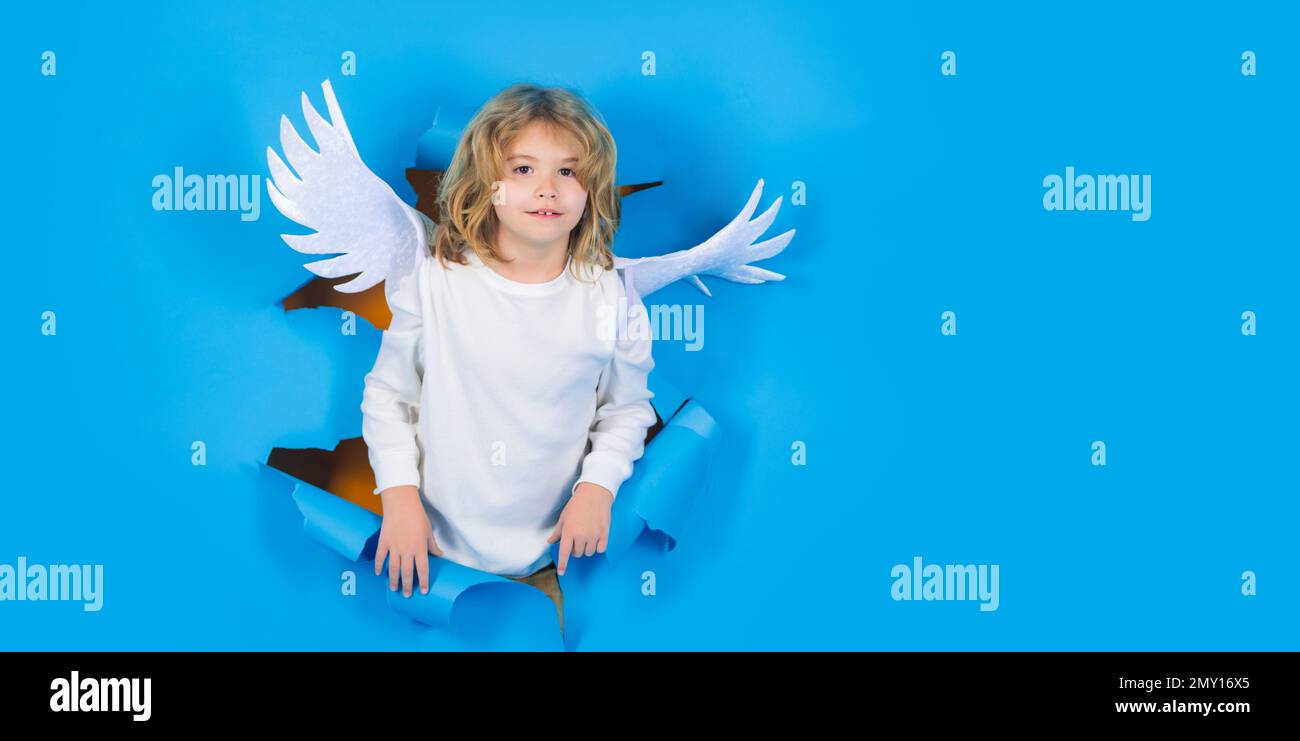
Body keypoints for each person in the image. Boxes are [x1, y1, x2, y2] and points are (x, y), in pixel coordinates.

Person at [360, 83, 656, 634]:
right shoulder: (435, 283)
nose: (547, 188)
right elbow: (388, 397)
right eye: (522, 169)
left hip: (550, 557)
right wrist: (399, 501)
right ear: (485, 184)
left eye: (568, 172)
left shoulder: (613, 298)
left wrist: (598, 487)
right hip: (430, 553)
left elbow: (626, 410)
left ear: (591, 190)